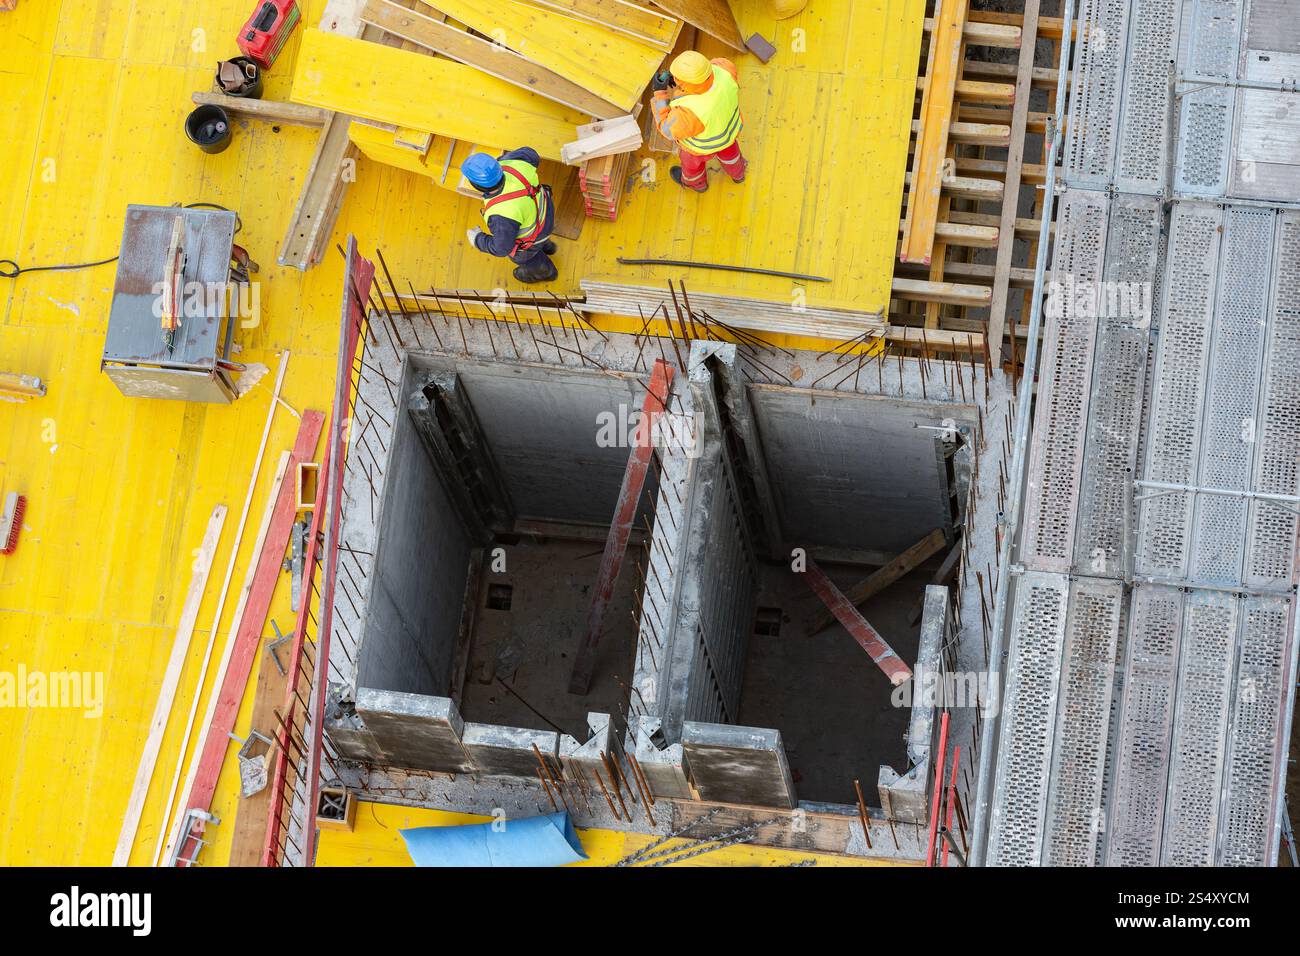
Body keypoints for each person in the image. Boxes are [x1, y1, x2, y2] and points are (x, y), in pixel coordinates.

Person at [650, 50, 747, 193]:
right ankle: (738, 175)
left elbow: (666, 128)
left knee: (692, 168)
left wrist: (659, 93)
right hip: (729, 135)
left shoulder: (688, 113)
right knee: (732, 156)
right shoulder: (726, 70)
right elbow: (712, 66)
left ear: (682, 81)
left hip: (700, 149)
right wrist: (685, 79)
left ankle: (698, 185)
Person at [463, 148, 558, 283]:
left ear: (478, 186)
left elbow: (502, 248)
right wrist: (501, 162)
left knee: (524, 256)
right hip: (545, 213)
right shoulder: (515, 162)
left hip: (534, 237)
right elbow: (531, 154)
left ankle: (544, 270)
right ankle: (547, 246)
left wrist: (477, 239)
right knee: (539, 238)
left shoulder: (501, 214)